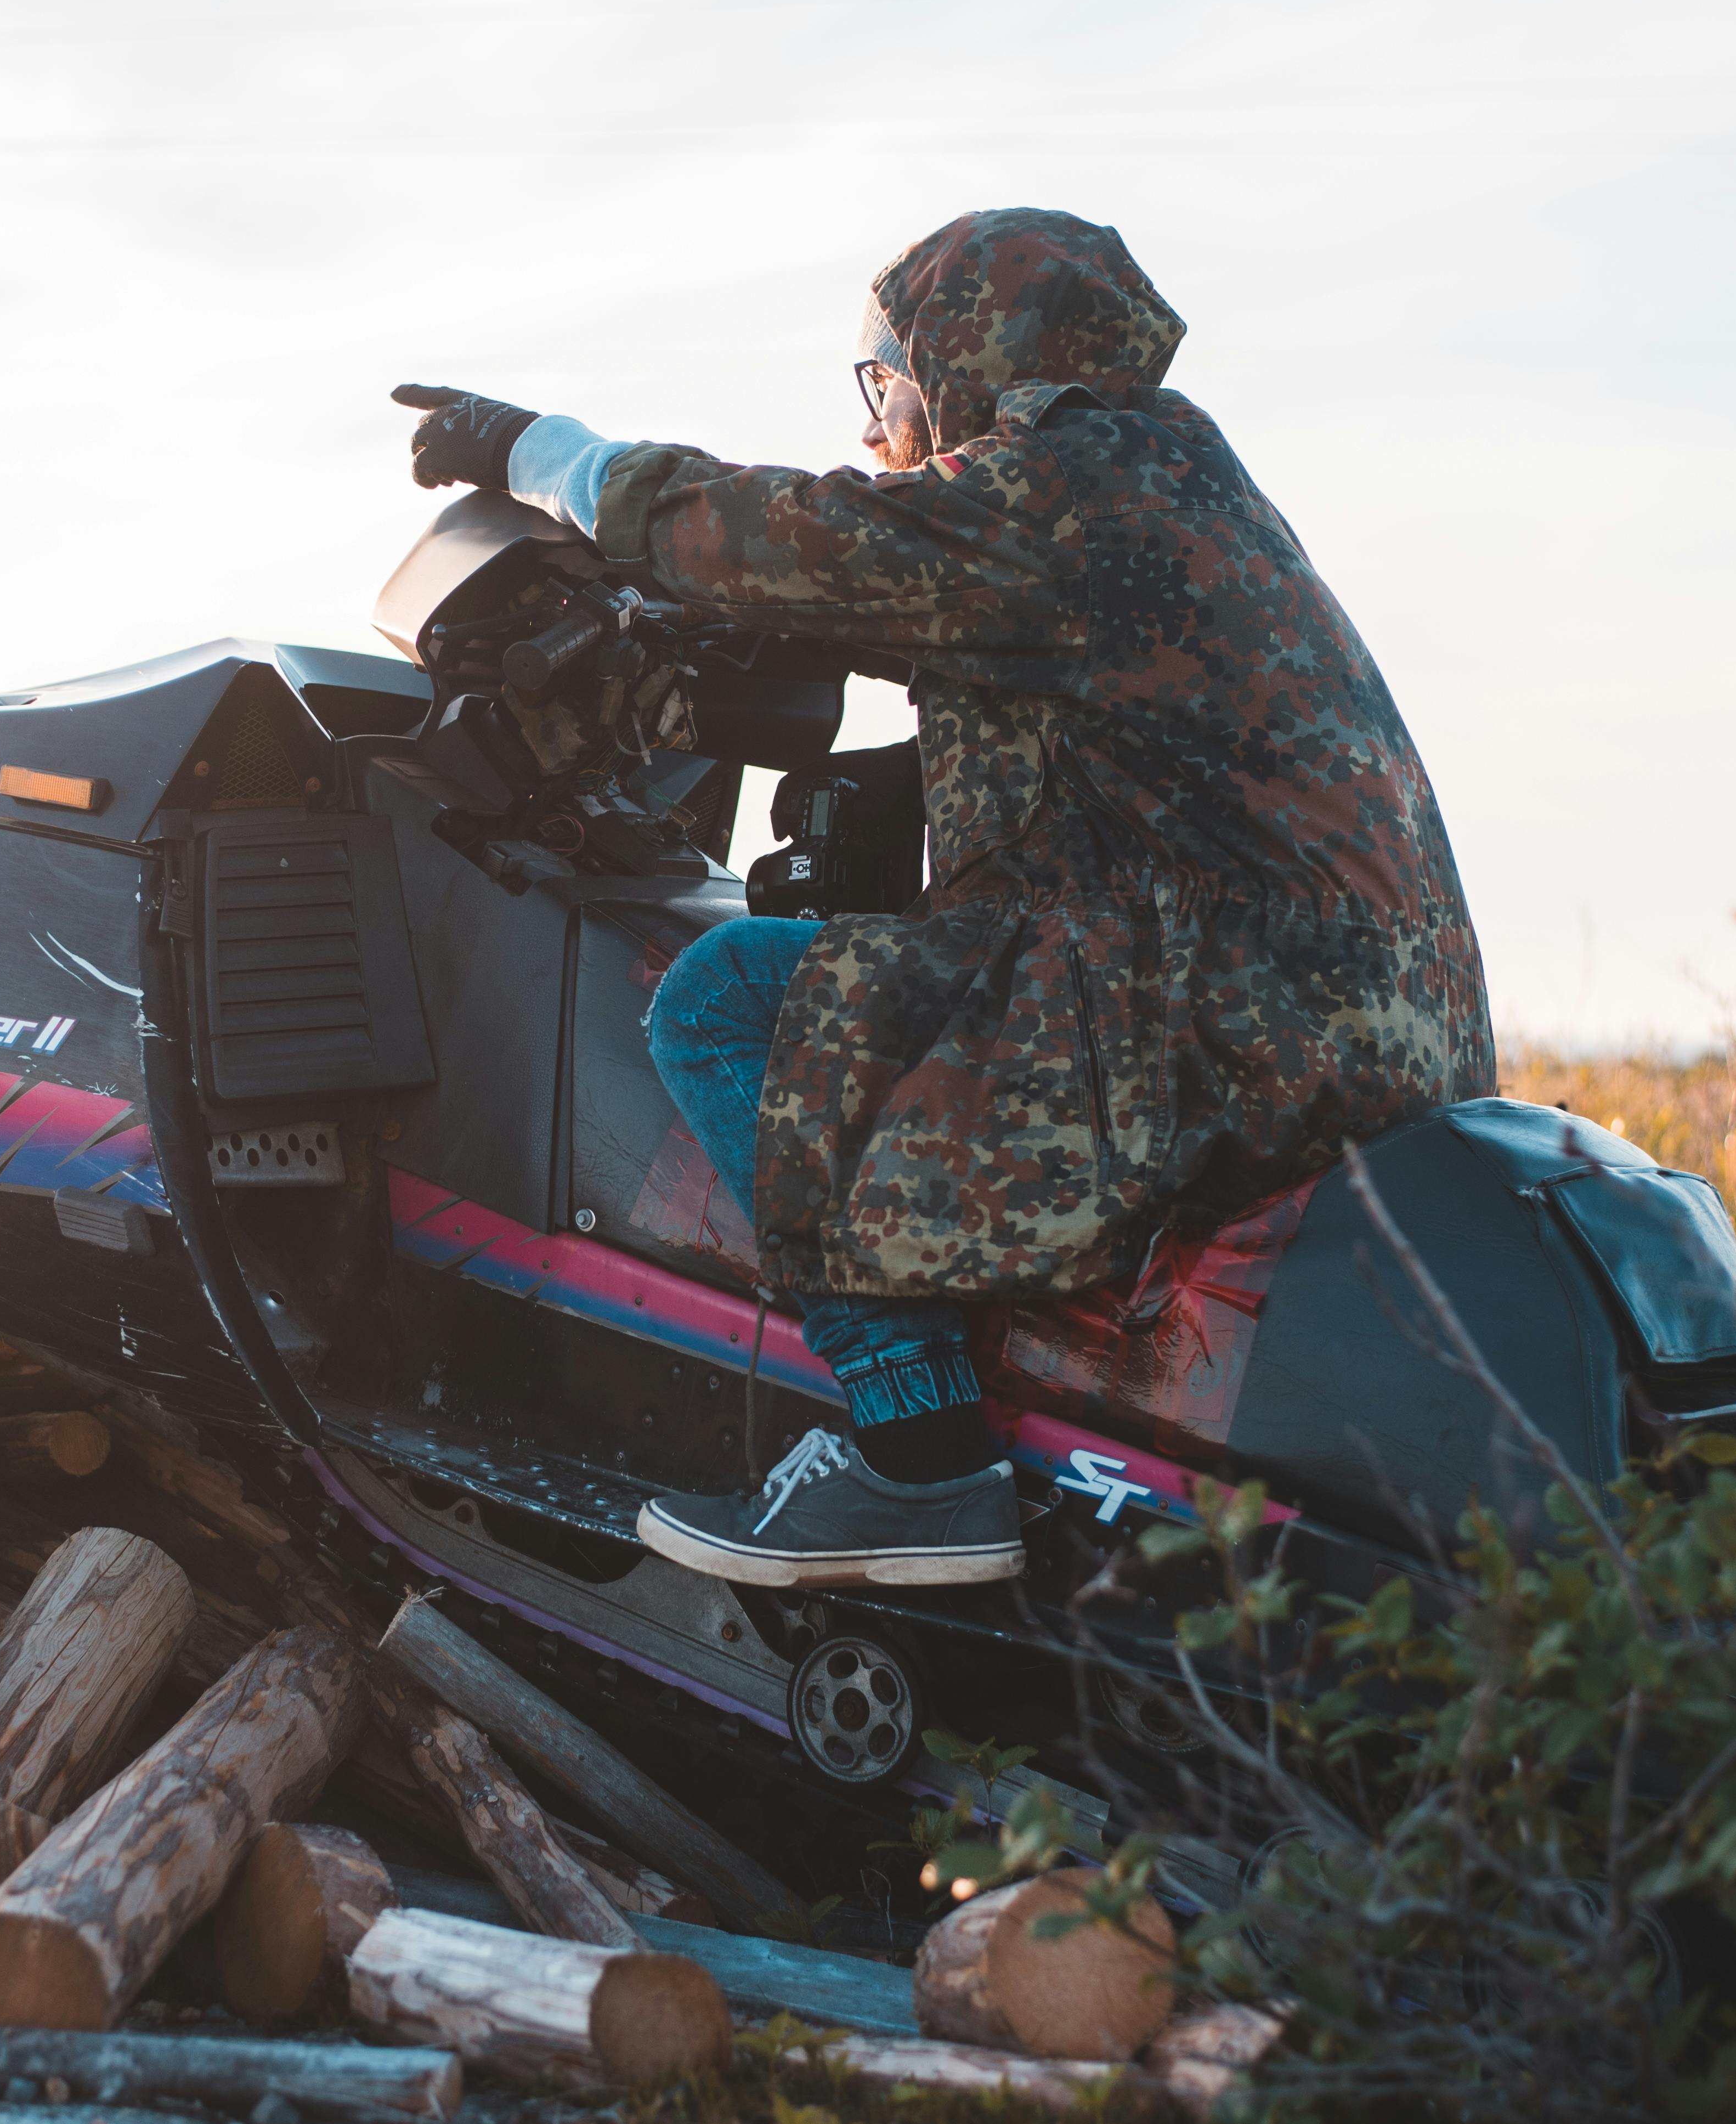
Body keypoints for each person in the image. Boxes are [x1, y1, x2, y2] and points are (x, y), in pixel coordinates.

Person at [393, 206, 1493, 1590]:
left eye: (883, 385)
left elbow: (792, 537)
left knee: (725, 1001)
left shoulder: (1064, 481)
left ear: (970, 354)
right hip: (1349, 1019)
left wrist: (539, 453)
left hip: (1240, 1022)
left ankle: (916, 1463)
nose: (873, 428)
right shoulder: (1176, 488)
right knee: (876, 957)